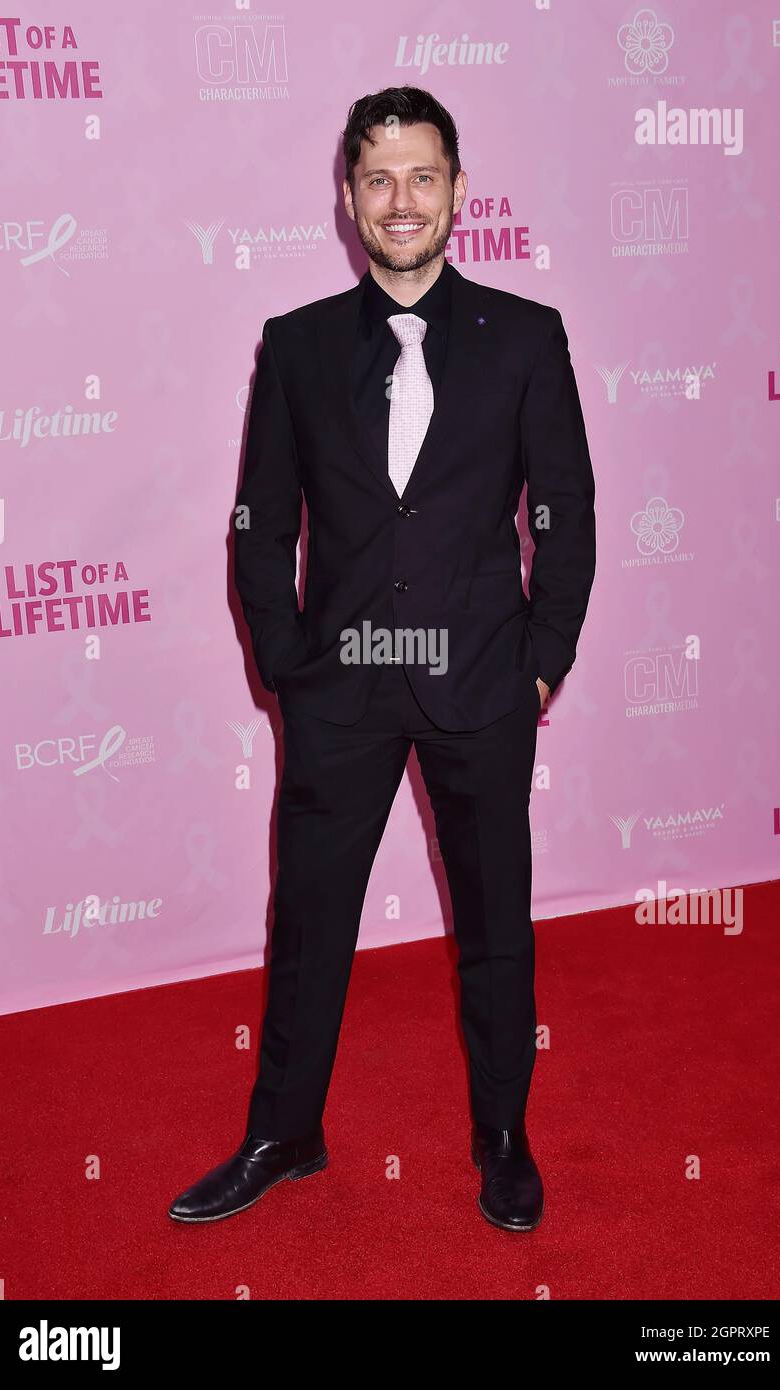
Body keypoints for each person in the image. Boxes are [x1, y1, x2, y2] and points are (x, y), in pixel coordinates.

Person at [169, 85, 596, 1234]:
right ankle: (283, 1133)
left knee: (495, 923)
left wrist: (541, 661)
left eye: (420, 175)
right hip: (340, 687)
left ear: (459, 190)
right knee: (306, 920)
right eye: (376, 178)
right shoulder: (297, 345)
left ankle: (503, 1137)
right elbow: (260, 520)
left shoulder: (526, 335)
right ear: (346, 200)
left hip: (481, 684)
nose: (398, 199)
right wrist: (287, 668)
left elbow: (562, 507)